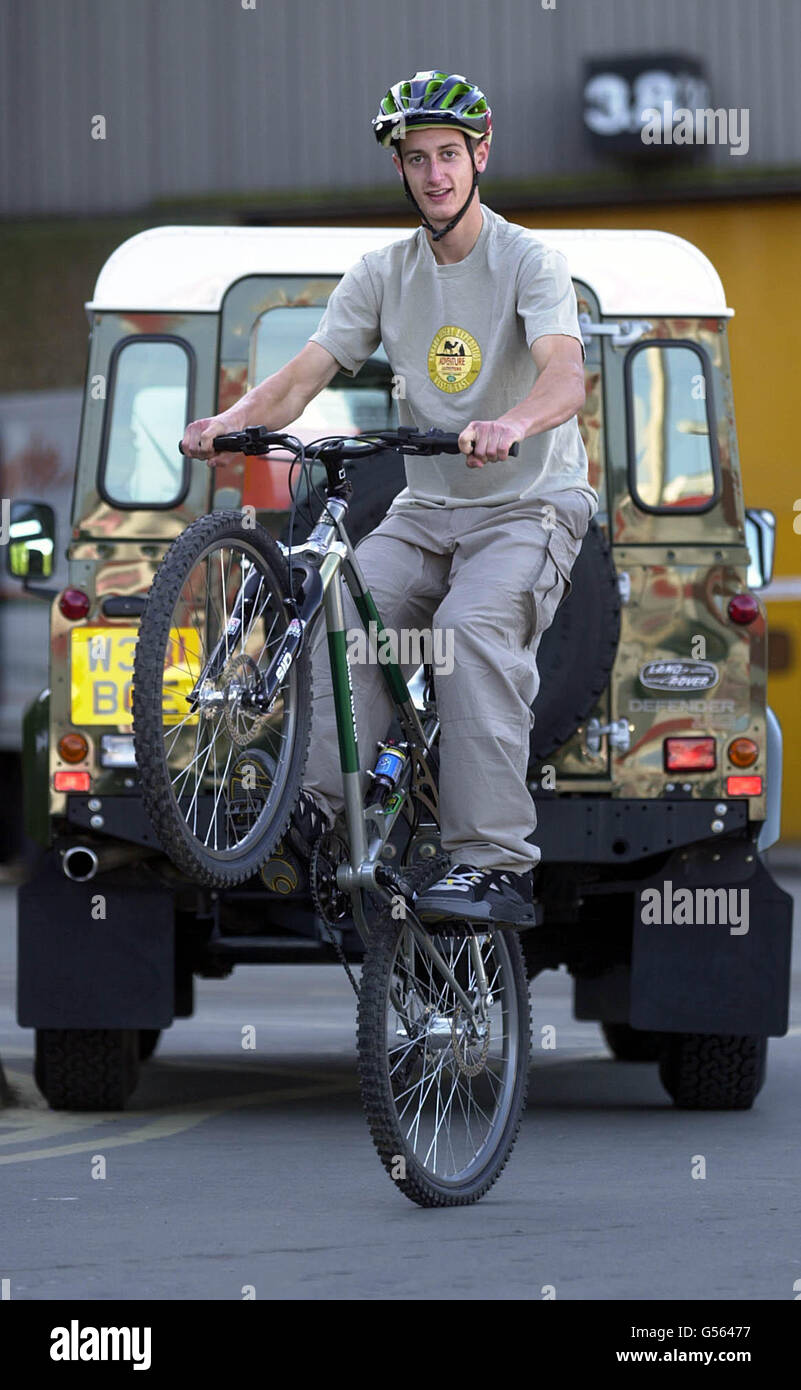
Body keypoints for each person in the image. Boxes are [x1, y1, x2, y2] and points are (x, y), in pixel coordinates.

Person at [181, 69, 599, 925]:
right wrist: (231, 421)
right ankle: (316, 813)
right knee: (344, 610)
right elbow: (304, 375)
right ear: (401, 170)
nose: (434, 174)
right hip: (425, 508)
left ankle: (491, 862)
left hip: (529, 503)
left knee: (466, 631)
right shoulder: (382, 273)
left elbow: (565, 374)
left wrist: (511, 423)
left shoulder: (529, 260)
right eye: (416, 159)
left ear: (480, 157)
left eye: (449, 155)